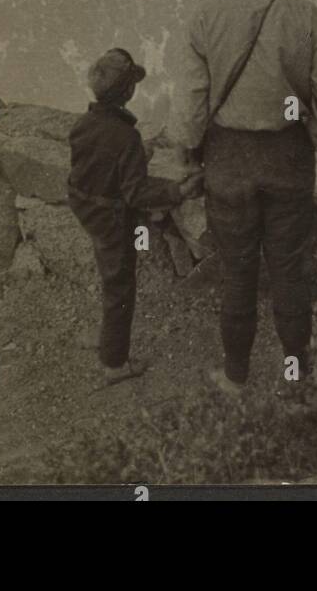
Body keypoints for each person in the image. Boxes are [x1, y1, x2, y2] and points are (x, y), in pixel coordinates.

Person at [179, 0, 317, 396]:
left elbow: (192, 104)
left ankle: (236, 378)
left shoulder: (204, 18)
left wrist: (190, 156)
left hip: (229, 160)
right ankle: (299, 377)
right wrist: (314, 135)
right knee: (289, 270)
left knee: (237, 273)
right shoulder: (304, 16)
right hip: (288, 156)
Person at [68, 46, 202, 384]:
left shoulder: (84, 124)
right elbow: (136, 193)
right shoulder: (125, 137)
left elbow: (101, 159)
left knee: (108, 275)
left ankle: (105, 339)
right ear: (127, 92)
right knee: (120, 285)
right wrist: (178, 191)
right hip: (112, 219)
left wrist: (137, 153)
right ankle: (114, 363)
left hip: (87, 209)